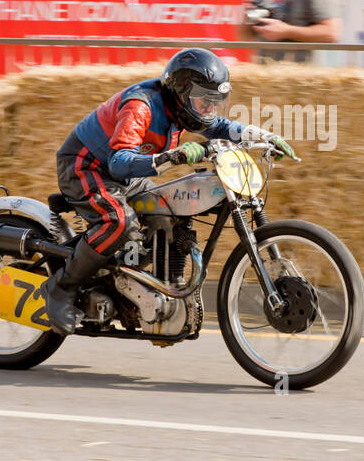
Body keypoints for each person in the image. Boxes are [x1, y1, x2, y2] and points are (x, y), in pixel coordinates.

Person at [45, 48, 297, 335]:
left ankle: (136, 285)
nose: (208, 109)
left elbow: (221, 127)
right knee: (119, 222)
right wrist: (173, 156)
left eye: (214, 102)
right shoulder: (141, 106)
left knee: (164, 212)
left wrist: (264, 137)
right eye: (204, 101)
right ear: (180, 92)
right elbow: (118, 162)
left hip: (126, 176)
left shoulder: (185, 108)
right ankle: (62, 288)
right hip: (86, 166)